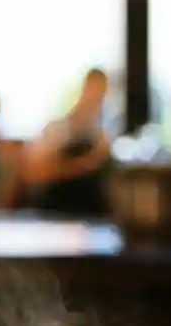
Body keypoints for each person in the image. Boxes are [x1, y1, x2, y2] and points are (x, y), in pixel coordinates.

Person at [22, 68, 113, 216]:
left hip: (92, 216)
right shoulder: (59, 129)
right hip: (56, 213)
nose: (96, 99)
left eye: (101, 93)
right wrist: (84, 164)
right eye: (94, 91)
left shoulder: (102, 137)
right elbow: (35, 173)